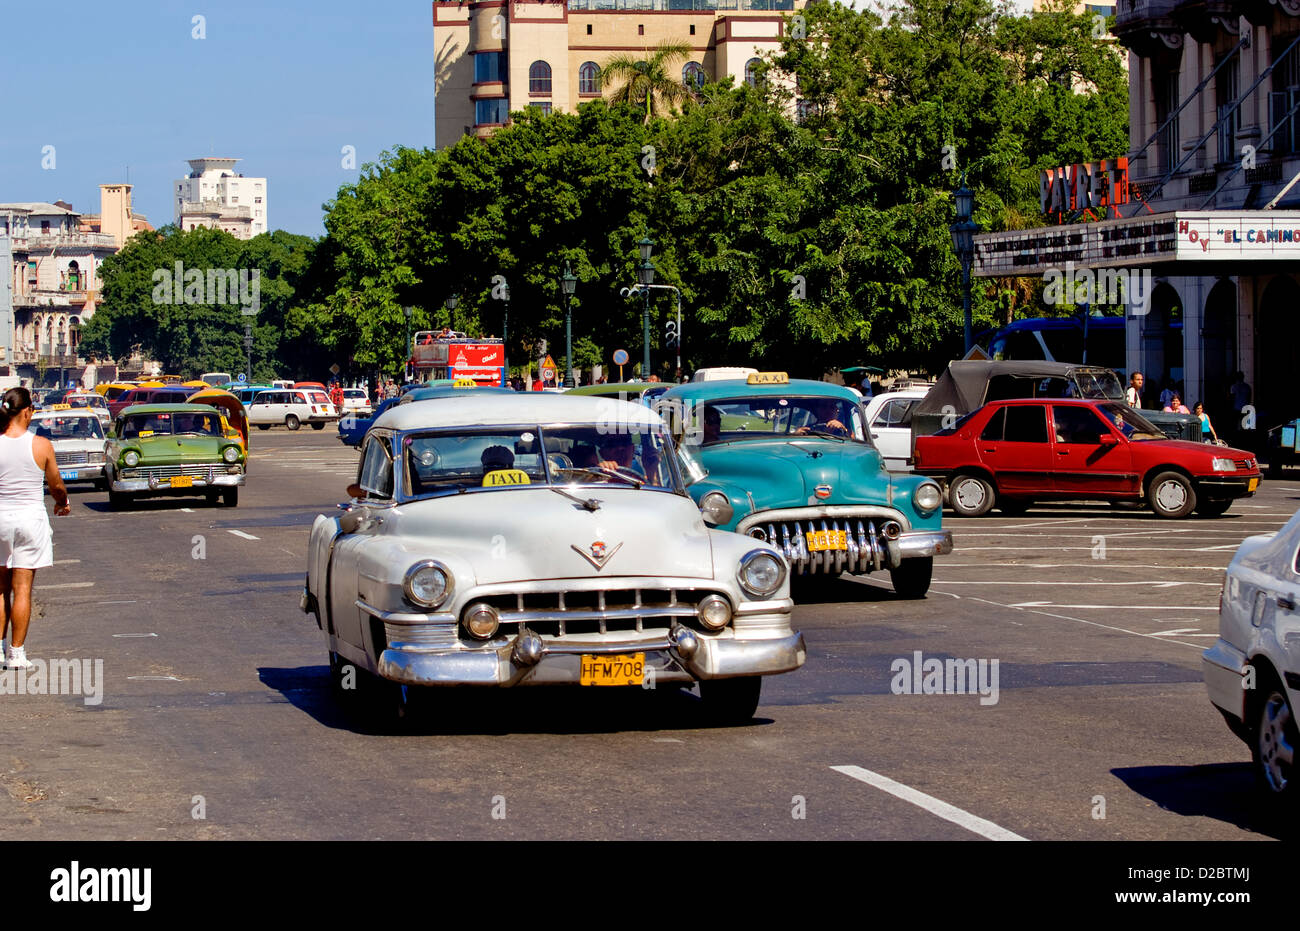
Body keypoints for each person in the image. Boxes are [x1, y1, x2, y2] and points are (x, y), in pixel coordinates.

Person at [0, 389, 70, 670]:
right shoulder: (41, 445)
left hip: (0, 519)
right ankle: (16, 653)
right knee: (22, 589)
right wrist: (63, 503)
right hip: (30, 520)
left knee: (0, 588)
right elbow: (56, 486)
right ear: (28, 411)